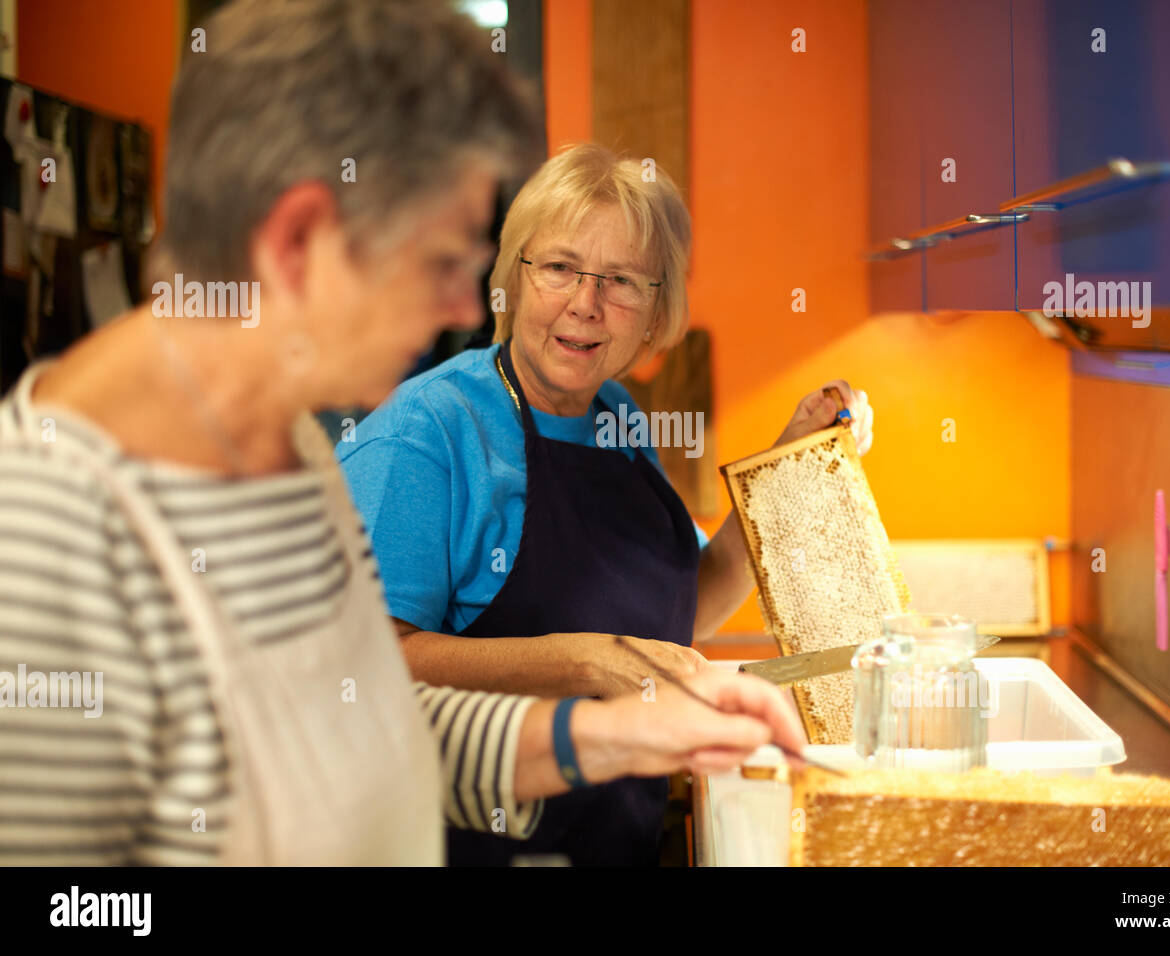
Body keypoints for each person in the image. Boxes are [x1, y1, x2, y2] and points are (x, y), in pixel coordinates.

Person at [0, 0, 804, 866]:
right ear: (299, 241)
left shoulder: (286, 453)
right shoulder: (47, 542)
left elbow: (367, 714)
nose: (467, 305)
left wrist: (616, 738)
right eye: (443, 261)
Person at [337, 143, 874, 865]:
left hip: (611, 839)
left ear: (656, 313)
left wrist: (792, 466)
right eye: (559, 267)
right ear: (513, 280)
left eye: (621, 280)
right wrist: (587, 663)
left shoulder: (615, 414)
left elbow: (683, 609)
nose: (584, 305)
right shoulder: (426, 434)